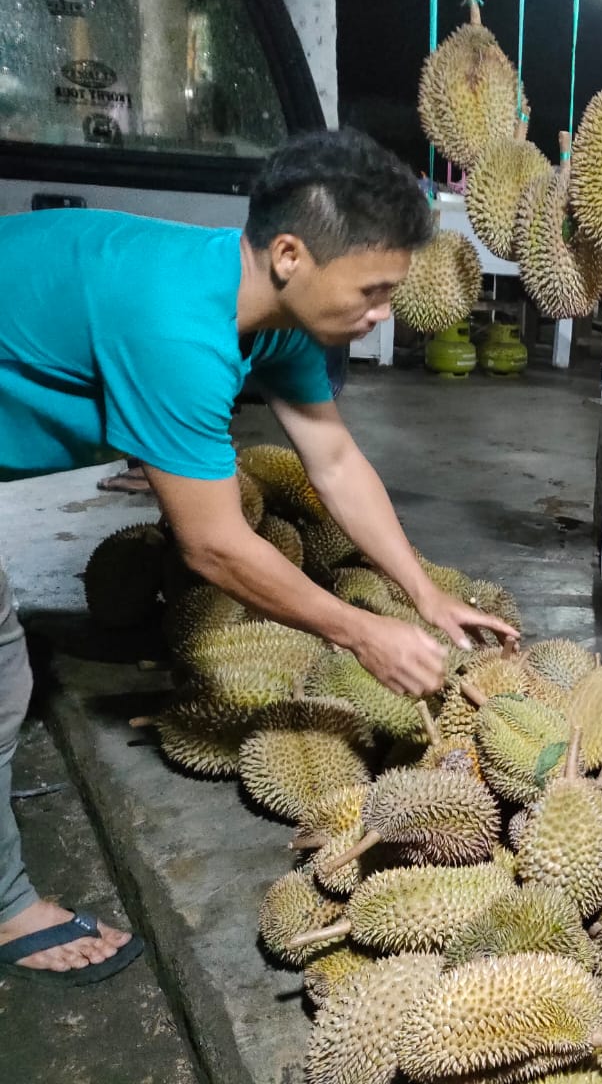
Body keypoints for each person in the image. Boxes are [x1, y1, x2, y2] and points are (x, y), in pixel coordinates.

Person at [0, 129, 518, 985]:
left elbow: (336, 461)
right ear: (290, 254)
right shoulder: (176, 328)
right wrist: (359, 633)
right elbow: (211, 544)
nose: (384, 312)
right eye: (375, 289)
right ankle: (9, 903)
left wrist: (424, 594)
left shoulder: (276, 318)